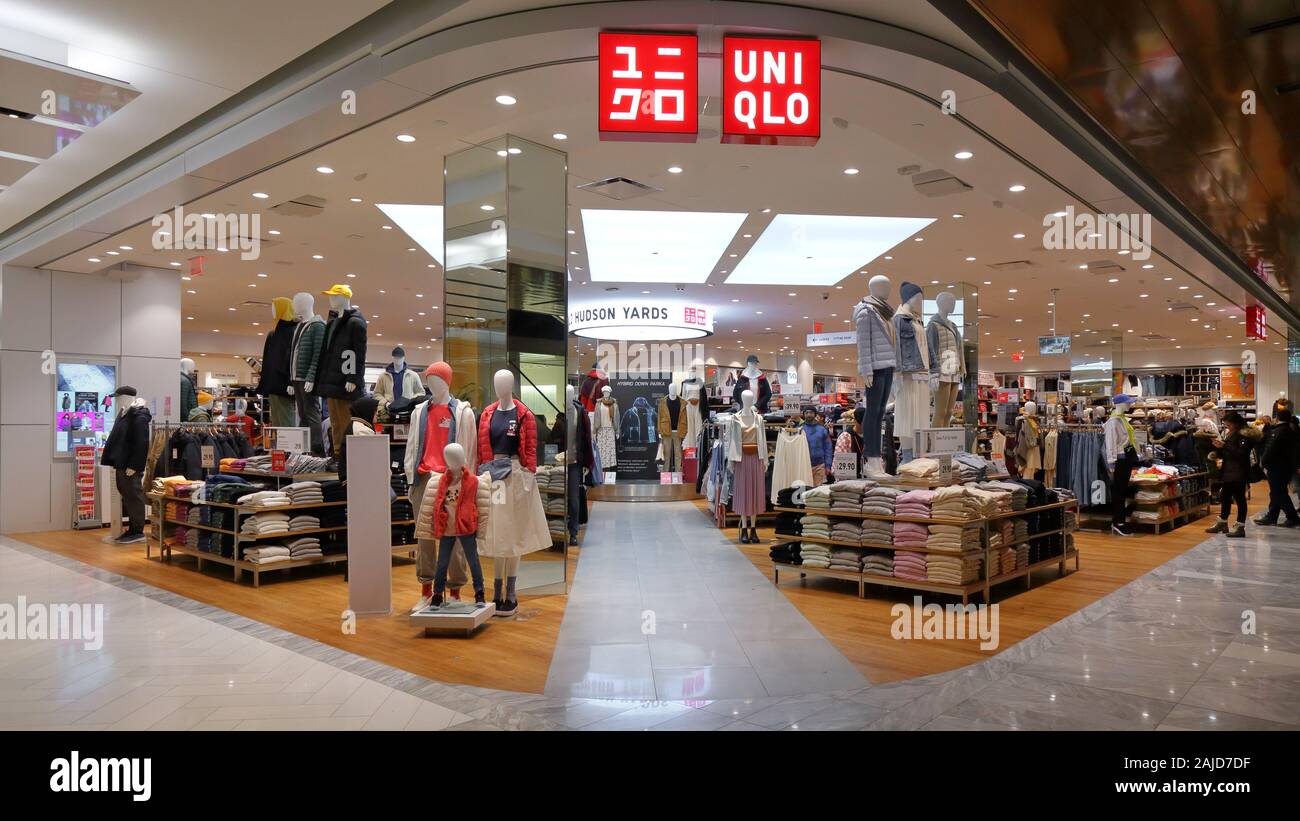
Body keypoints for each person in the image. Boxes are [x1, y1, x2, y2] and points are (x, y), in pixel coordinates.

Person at [1205, 410, 1261, 538]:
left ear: (1235, 423)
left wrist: (1224, 445)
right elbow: (1229, 451)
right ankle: (1223, 522)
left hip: (1239, 471)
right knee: (1225, 496)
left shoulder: (1244, 435)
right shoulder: (1232, 433)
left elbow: (1241, 454)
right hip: (1229, 470)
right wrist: (1218, 449)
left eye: (1228, 424)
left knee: (1239, 498)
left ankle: (1239, 526)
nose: (1227, 426)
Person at [1256, 407, 1300, 527]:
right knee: (1277, 492)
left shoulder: (1278, 431)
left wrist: (1263, 462)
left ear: (1277, 418)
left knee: (1278, 492)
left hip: (1277, 467)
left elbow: (1271, 449)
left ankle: (1292, 517)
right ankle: (1272, 516)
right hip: (1286, 467)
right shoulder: (1290, 431)